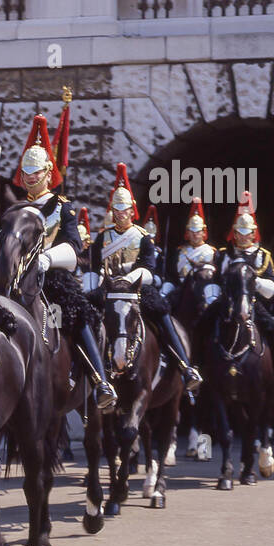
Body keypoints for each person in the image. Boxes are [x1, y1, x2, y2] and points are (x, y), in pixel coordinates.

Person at [12, 104, 115, 408]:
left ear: (48, 173)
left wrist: (46, 259)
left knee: (79, 314)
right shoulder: (15, 208)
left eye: (37, 172)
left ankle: (100, 380)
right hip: (18, 277)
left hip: (53, 277)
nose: (31, 178)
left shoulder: (62, 207)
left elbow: (73, 246)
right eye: (26, 172)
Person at [86, 166, 202, 392]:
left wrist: (129, 278)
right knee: (84, 314)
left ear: (132, 211)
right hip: (107, 287)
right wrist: (91, 284)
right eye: (117, 210)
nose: (120, 214)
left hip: (136, 287)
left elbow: (149, 268)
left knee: (161, 313)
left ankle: (184, 365)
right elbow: (92, 265)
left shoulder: (142, 238)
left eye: (125, 210)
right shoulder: (102, 238)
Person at [212, 193, 274, 399]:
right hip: (228, 301)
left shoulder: (263, 256)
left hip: (253, 302)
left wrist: (254, 282)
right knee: (203, 323)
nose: (242, 236)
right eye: (239, 232)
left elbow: (271, 287)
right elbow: (216, 280)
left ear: (253, 233)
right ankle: (194, 367)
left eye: (246, 232)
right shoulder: (224, 254)